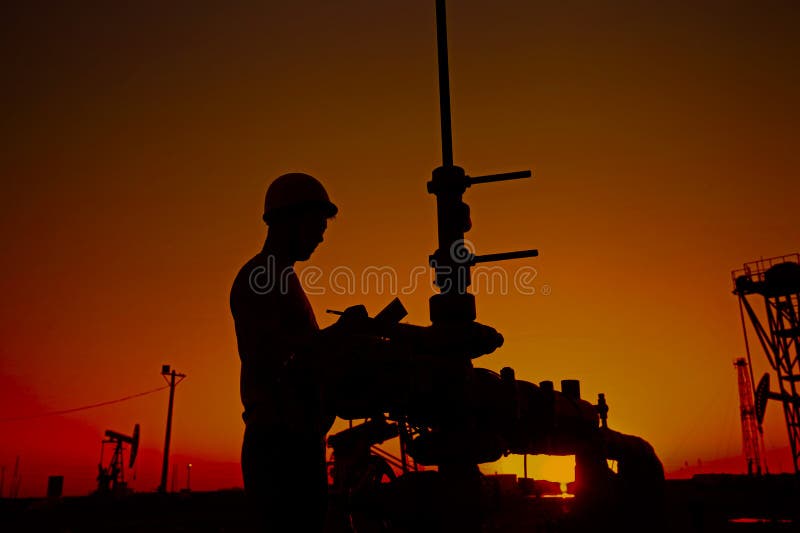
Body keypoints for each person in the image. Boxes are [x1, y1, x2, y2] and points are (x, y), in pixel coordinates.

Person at [230, 172, 338, 531]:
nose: (322, 235)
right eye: (317, 224)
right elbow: (276, 361)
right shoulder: (261, 277)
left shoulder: (281, 277)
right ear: (290, 218)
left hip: (297, 443)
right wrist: (340, 338)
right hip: (280, 449)